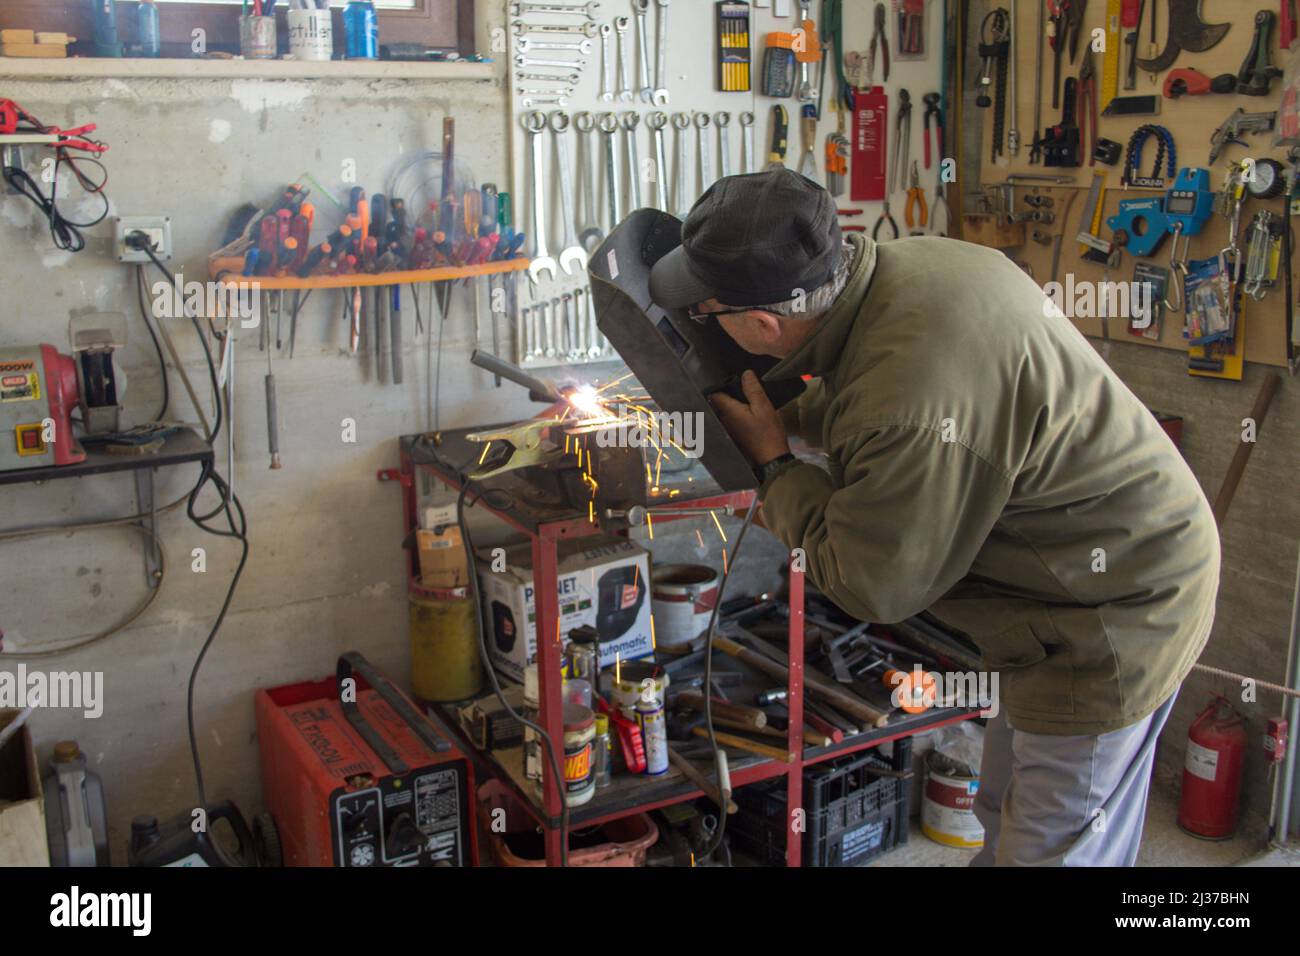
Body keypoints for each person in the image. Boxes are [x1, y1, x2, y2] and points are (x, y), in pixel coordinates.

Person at [648, 168, 1221, 866]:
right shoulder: (911, 267)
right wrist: (781, 419)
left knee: (1056, 848)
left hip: (1113, 613)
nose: (706, 326)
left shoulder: (910, 399)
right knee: (1002, 807)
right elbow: (864, 399)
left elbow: (873, 585)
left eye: (707, 314)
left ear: (763, 323)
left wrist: (773, 467)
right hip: (1067, 587)